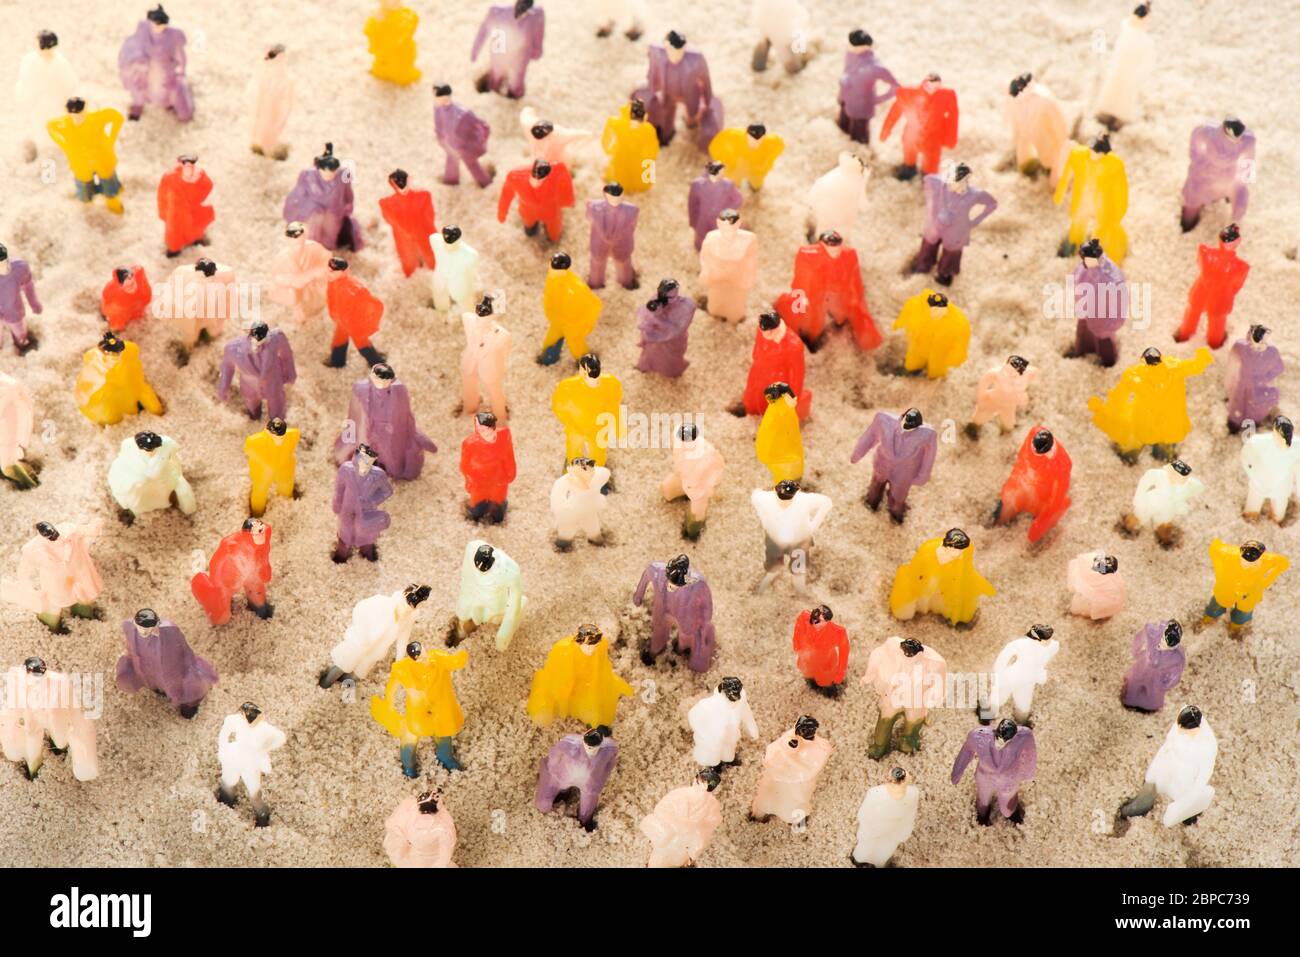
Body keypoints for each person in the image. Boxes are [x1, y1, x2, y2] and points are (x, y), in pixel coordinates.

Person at [370, 640, 469, 776]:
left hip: (440, 708)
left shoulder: (438, 658)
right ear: (412, 659)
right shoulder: (403, 669)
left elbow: (455, 661)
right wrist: (389, 703)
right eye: (420, 658)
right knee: (411, 736)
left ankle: (445, 757)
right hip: (417, 711)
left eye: (424, 654)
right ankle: (409, 765)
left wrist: (462, 656)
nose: (424, 659)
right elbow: (392, 686)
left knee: (444, 732)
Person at [1119, 705, 1217, 827]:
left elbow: (1205, 772)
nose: (1180, 729)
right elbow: (1167, 746)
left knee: (1186, 798)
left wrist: (1196, 791)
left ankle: (1189, 816)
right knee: (1152, 784)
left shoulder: (1207, 746)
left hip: (1186, 777)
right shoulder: (1178, 727)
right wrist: (1156, 766)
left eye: (1184, 729)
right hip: (1167, 766)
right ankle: (1141, 806)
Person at [320, 584, 432, 689]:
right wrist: (362, 633)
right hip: (359, 643)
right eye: (408, 605)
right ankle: (325, 683)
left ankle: (345, 684)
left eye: (413, 608)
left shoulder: (409, 616)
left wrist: (399, 661)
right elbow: (359, 608)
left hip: (377, 651)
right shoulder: (382, 602)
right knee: (342, 665)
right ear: (404, 595)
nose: (408, 609)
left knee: (358, 673)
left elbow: (403, 637)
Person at [1, 519, 103, 632]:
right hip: (55, 581)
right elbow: (24, 569)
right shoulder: (36, 549)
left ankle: (83, 613)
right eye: (48, 534)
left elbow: (85, 531)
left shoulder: (69, 532)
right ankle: (51, 624)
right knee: (53, 604)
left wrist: (95, 528)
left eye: (53, 532)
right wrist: (27, 586)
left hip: (77, 574)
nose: (53, 536)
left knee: (83, 596)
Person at [116, 608, 217, 718]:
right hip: (148, 669)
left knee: (185, 693)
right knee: (155, 683)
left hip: (172, 670)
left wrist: (193, 667)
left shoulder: (168, 631)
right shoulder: (130, 628)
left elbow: (184, 651)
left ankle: (188, 704)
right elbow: (131, 648)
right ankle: (161, 690)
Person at [910, 163, 997, 285]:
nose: (953, 184)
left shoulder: (973, 195)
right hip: (935, 226)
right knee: (928, 248)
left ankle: (944, 276)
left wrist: (974, 221)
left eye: (958, 181)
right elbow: (927, 180)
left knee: (951, 257)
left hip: (956, 231)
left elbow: (992, 204)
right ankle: (923, 267)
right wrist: (931, 205)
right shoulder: (940, 185)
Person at [862, 636, 946, 759]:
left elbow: (940, 683)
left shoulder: (935, 663)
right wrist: (870, 675)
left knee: (913, 721)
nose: (906, 655)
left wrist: (932, 700)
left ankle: (908, 743)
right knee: (885, 719)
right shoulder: (892, 646)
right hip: (894, 695)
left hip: (916, 699)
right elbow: (877, 656)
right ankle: (880, 746)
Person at [849, 408, 937, 523]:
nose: (905, 429)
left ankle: (896, 513)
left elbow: (929, 455)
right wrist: (858, 453)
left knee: (898, 494)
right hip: (882, 463)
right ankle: (872, 503)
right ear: (901, 417)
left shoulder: (927, 434)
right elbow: (870, 435)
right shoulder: (883, 420)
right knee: (876, 484)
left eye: (911, 427)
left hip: (905, 471)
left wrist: (923, 475)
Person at [633, 554, 716, 672]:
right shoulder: (656, 570)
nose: (672, 586)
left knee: (685, 635)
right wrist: (638, 595)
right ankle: (655, 651)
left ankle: (681, 650)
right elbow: (646, 577)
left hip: (684, 614)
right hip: (662, 608)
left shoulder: (697, 583)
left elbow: (706, 600)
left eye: (677, 584)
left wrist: (705, 618)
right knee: (659, 629)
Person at [751, 480, 832, 595]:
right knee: (773, 567)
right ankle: (763, 587)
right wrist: (763, 519)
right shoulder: (767, 498)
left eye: (789, 499)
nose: (784, 502)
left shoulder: (805, 500)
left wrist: (813, 525)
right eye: (780, 498)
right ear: (775, 491)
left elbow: (827, 502)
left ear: (797, 492)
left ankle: (800, 591)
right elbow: (755, 496)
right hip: (775, 541)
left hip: (800, 542)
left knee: (798, 570)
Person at [950, 718, 1037, 825]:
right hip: (985, 777)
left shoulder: (1024, 736)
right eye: (999, 738)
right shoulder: (977, 736)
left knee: (1008, 808)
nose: (1002, 743)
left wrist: (1029, 773)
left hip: (1009, 780)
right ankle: (982, 818)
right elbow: (966, 751)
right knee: (983, 801)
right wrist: (956, 773)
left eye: (1006, 741)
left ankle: (1013, 815)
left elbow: (1030, 754)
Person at [750, 715, 832, 825]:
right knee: (767, 799)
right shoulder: (791, 736)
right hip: (776, 779)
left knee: (793, 805)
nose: (800, 732)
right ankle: (758, 816)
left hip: (797, 785)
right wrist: (787, 750)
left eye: (804, 730)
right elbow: (773, 749)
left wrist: (790, 757)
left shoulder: (820, 747)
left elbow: (811, 769)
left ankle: (797, 821)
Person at [191, 519, 274, 625]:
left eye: (261, 528)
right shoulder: (231, 546)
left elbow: (264, 558)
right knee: (222, 615)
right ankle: (217, 612)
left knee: (257, 590)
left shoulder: (263, 540)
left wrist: (264, 570)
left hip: (251, 571)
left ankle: (260, 608)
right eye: (258, 530)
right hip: (228, 578)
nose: (261, 531)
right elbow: (218, 563)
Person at [118, 5, 194, 121]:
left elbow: (180, 55)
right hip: (145, 68)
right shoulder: (143, 30)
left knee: (167, 90)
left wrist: (181, 69)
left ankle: (169, 104)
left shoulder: (173, 36)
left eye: (161, 24)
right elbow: (135, 45)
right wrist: (138, 60)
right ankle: (138, 106)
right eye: (155, 24)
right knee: (139, 88)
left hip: (164, 69)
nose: (158, 27)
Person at [216, 702, 286, 827]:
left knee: (254, 791)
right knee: (228, 782)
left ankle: (262, 814)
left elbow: (280, 737)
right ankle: (226, 801)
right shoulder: (236, 721)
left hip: (251, 763)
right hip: (234, 757)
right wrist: (223, 747)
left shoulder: (264, 729)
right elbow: (225, 731)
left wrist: (266, 747)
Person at [535, 727, 618, 830]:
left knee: (586, 811)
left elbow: (610, 765)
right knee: (544, 802)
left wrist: (601, 779)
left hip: (589, 785)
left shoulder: (608, 749)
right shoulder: (571, 743)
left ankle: (584, 821)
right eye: (588, 745)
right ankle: (564, 794)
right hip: (564, 776)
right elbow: (555, 753)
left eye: (593, 746)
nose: (590, 748)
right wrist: (553, 767)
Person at [450, 541, 525, 651]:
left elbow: (514, 604)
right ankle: (460, 634)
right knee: (468, 617)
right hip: (474, 595)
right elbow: (467, 575)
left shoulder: (510, 571)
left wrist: (505, 632)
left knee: (493, 618)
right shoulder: (472, 547)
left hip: (494, 603)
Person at [107, 430, 197, 521]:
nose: (152, 450)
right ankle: (132, 512)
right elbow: (153, 473)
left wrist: (167, 451)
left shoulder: (163, 446)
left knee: (161, 494)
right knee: (136, 501)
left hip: (157, 483)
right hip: (134, 484)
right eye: (148, 449)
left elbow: (172, 446)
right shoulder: (130, 448)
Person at [640, 769, 723, 868]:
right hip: (669, 837)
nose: (700, 789)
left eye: (705, 787)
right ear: (695, 780)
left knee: (677, 861)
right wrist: (677, 824)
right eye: (698, 783)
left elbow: (712, 822)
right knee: (658, 861)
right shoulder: (680, 794)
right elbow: (661, 810)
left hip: (686, 844)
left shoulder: (712, 805)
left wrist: (697, 830)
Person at [983, 625, 1059, 724]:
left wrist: (1041, 674)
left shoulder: (1051, 647)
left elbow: (1043, 663)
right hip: (1012, 676)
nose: (1050, 641)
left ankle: (1021, 722)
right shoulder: (1021, 644)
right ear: (1039, 639)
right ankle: (986, 718)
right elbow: (1003, 658)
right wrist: (998, 673)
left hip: (1027, 682)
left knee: (1023, 705)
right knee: (998, 698)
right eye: (1047, 639)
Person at [471, 0, 546, 99]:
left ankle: (514, 96)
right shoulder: (497, 11)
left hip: (520, 52)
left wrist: (537, 49)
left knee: (516, 81)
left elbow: (538, 32)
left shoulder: (537, 13)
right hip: (500, 45)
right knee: (496, 75)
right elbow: (484, 30)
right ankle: (493, 90)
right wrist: (475, 51)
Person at [837, 30, 897, 144]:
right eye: (849, 43)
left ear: (865, 47)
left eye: (853, 45)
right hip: (844, 101)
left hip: (861, 109)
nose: (849, 46)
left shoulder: (875, 67)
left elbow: (895, 86)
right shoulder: (850, 53)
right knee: (841, 130)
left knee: (858, 140)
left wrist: (876, 100)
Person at [687, 676, 759, 770]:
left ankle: (728, 761)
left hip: (730, 734)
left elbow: (746, 712)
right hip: (713, 738)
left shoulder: (740, 700)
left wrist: (752, 729)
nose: (734, 700)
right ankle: (714, 768)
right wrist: (703, 734)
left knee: (728, 752)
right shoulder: (709, 704)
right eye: (731, 697)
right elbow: (693, 716)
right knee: (713, 757)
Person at [852, 767, 919, 867]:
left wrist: (905, 831)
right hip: (873, 828)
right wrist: (866, 828)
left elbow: (910, 814)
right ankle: (858, 861)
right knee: (864, 849)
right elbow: (864, 812)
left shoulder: (912, 793)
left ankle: (878, 864)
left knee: (885, 851)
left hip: (895, 830)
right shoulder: (875, 792)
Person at [433, 85, 493, 188]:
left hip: (465, 147)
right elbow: (439, 125)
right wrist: (440, 138)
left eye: (440, 96)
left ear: (447, 96)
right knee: (451, 163)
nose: (438, 99)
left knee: (473, 166)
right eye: (437, 96)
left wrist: (480, 141)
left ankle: (485, 183)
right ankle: (451, 182)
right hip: (450, 144)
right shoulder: (438, 109)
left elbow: (483, 125)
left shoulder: (464, 113)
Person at [1121, 621, 1185, 713]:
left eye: (1168, 645)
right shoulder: (1152, 634)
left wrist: (1166, 684)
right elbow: (1140, 637)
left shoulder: (1177, 656)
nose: (1163, 645)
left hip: (1157, 675)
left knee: (1153, 693)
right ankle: (1130, 698)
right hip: (1142, 666)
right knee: (1134, 684)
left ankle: (1149, 705)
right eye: (1163, 641)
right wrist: (1136, 651)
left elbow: (1177, 672)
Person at [383, 790, 457, 867]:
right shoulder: (441, 829)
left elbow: (444, 856)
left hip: (421, 859)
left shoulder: (411, 819)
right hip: (420, 858)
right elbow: (444, 854)